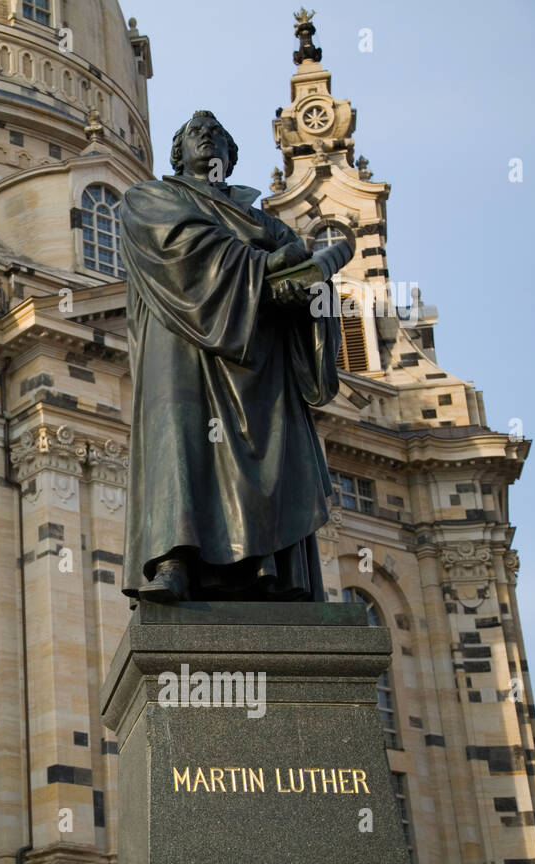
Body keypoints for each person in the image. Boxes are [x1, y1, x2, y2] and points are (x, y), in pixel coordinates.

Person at [119, 110, 347, 604]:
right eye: (195, 132)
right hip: (183, 345)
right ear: (178, 153)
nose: (207, 135)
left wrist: (312, 290)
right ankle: (174, 560)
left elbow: (307, 290)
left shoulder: (267, 223)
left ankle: (273, 573)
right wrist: (263, 265)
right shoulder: (150, 198)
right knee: (180, 441)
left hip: (259, 364)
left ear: (231, 155)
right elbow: (180, 248)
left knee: (267, 447)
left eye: (217, 132)